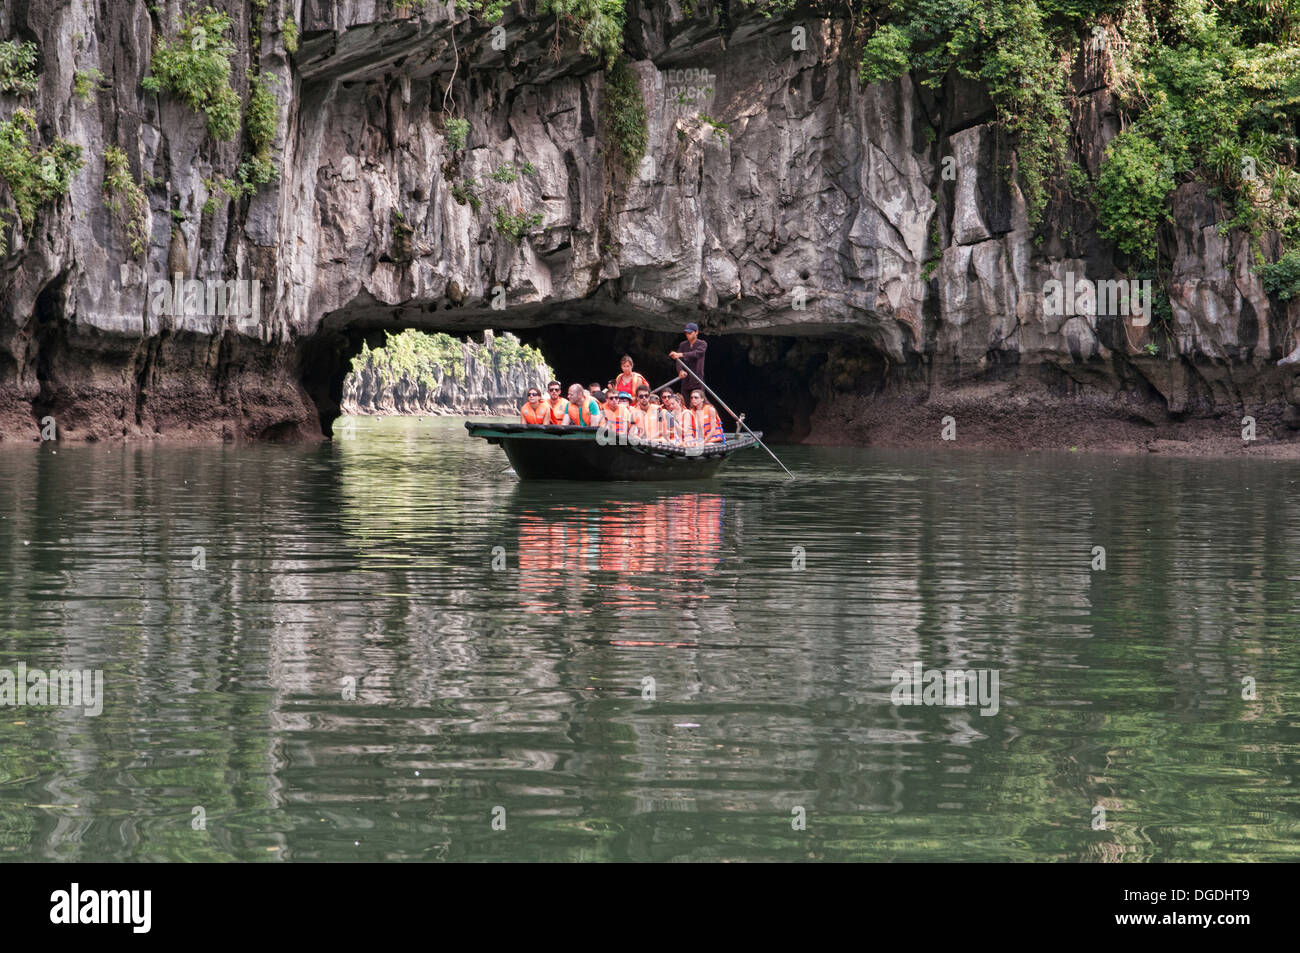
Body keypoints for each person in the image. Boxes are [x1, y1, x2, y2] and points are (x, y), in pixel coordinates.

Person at [669, 323, 706, 392]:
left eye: (690, 333)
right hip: (686, 380)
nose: (687, 335)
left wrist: (680, 354)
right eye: (686, 333)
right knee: (686, 401)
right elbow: (678, 360)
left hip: (697, 379)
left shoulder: (702, 343)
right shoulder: (683, 344)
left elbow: (697, 353)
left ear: (696, 332)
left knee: (698, 399)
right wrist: (680, 370)